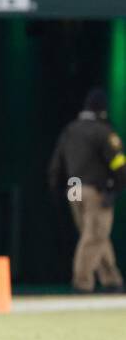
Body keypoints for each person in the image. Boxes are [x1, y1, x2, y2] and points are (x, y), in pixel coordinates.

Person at [48, 87, 126, 293]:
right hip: (95, 190)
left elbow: (57, 163)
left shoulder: (71, 130)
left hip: (73, 189)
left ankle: (111, 278)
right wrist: (116, 188)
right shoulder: (103, 131)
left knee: (92, 234)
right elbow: (119, 164)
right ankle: (82, 282)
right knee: (95, 236)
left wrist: (56, 188)